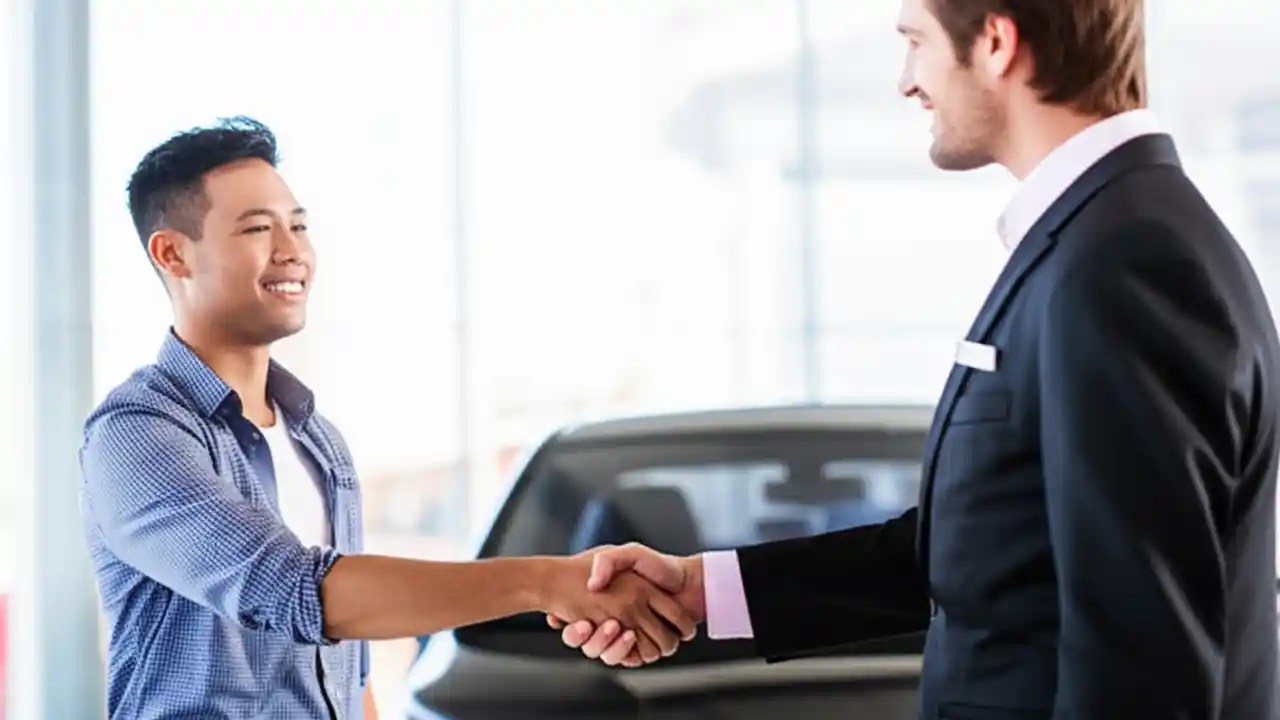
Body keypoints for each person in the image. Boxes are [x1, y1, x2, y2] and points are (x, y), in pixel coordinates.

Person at [552, 0, 1280, 717]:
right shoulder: (1102, 238)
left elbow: (1139, 661)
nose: (907, 80)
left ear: (996, 42)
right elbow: (992, 556)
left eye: (915, 42)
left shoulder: (1121, 266)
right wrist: (700, 590)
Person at [78, 116, 695, 720]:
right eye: (257, 229)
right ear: (172, 254)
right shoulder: (137, 434)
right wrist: (545, 582)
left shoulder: (317, 440)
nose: (293, 252)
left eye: (299, 225)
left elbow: (344, 659)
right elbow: (295, 590)